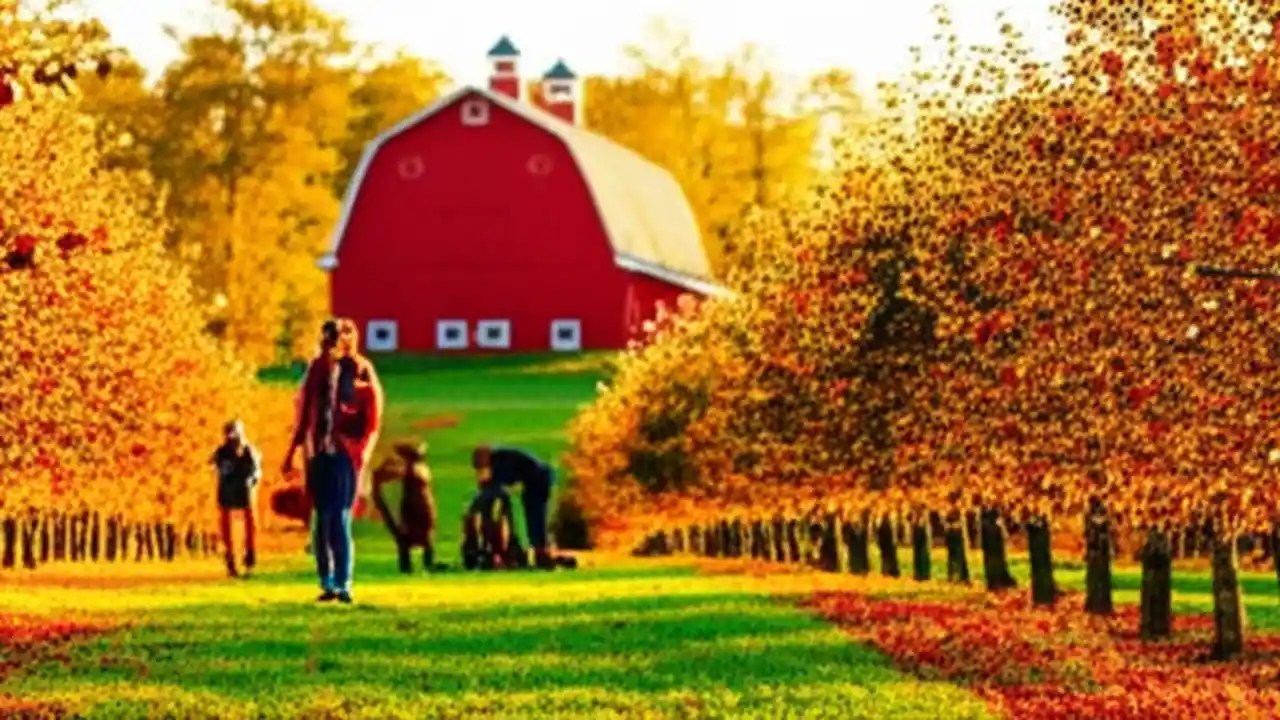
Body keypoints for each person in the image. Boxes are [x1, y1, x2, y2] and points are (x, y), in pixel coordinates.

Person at [283, 318, 383, 604]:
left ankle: (343, 583)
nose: (329, 347)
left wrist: (360, 450)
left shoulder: (361, 370)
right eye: (325, 342)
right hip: (318, 454)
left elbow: (371, 418)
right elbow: (304, 413)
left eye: (334, 341)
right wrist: (293, 451)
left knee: (339, 517)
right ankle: (326, 581)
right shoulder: (316, 371)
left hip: (344, 454)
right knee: (321, 519)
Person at [471, 445, 555, 569]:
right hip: (536, 478)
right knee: (533, 516)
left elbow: (495, 491)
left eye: (482, 470)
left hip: (539, 479)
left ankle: (540, 552)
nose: (480, 474)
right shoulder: (499, 463)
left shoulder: (500, 465)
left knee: (535, 517)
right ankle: (539, 552)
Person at [212, 419, 261, 579]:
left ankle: (250, 556)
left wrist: (252, 479)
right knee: (226, 525)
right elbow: (217, 466)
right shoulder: (222, 452)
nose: (233, 439)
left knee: (251, 522)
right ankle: (230, 559)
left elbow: (256, 471)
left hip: (244, 491)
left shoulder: (249, 450)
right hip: (227, 491)